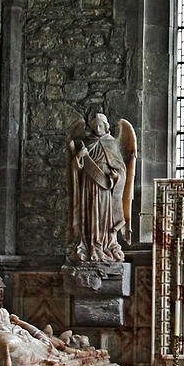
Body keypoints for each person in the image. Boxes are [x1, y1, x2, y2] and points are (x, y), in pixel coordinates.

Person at [67, 113, 136, 263]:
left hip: (105, 186)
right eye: (95, 125)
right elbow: (76, 169)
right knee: (89, 213)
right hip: (87, 184)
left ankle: (104, 245)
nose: (98, 128)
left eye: (101, 125)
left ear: (106, 127)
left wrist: (116, 177)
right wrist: (79, 157)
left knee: (104, 215)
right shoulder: (86, 142)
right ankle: (88, 245)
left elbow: (121, 169)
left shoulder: (112, 143)